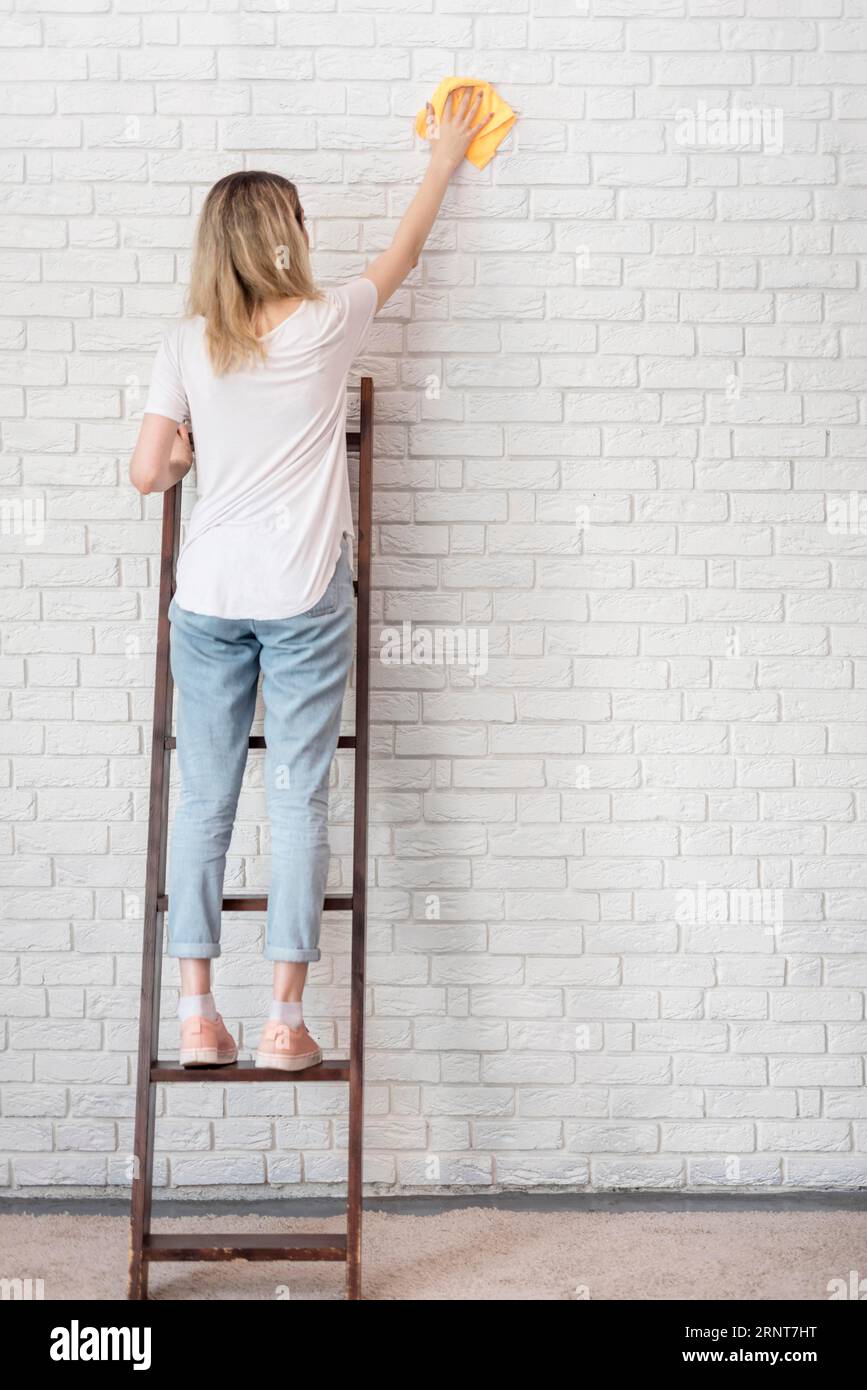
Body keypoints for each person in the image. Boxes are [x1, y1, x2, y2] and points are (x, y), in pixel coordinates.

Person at [129, 88, 491, 1072]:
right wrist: (442, 158)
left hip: (208, 597)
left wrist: (195, 448)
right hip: (299, 597)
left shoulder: (186, 342)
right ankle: (285, 1023)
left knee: (204, 794)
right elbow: (402, 256)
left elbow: (146, 470)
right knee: (296, 796)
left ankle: (197, 1014)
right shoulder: (327, 322)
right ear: (281, 235)